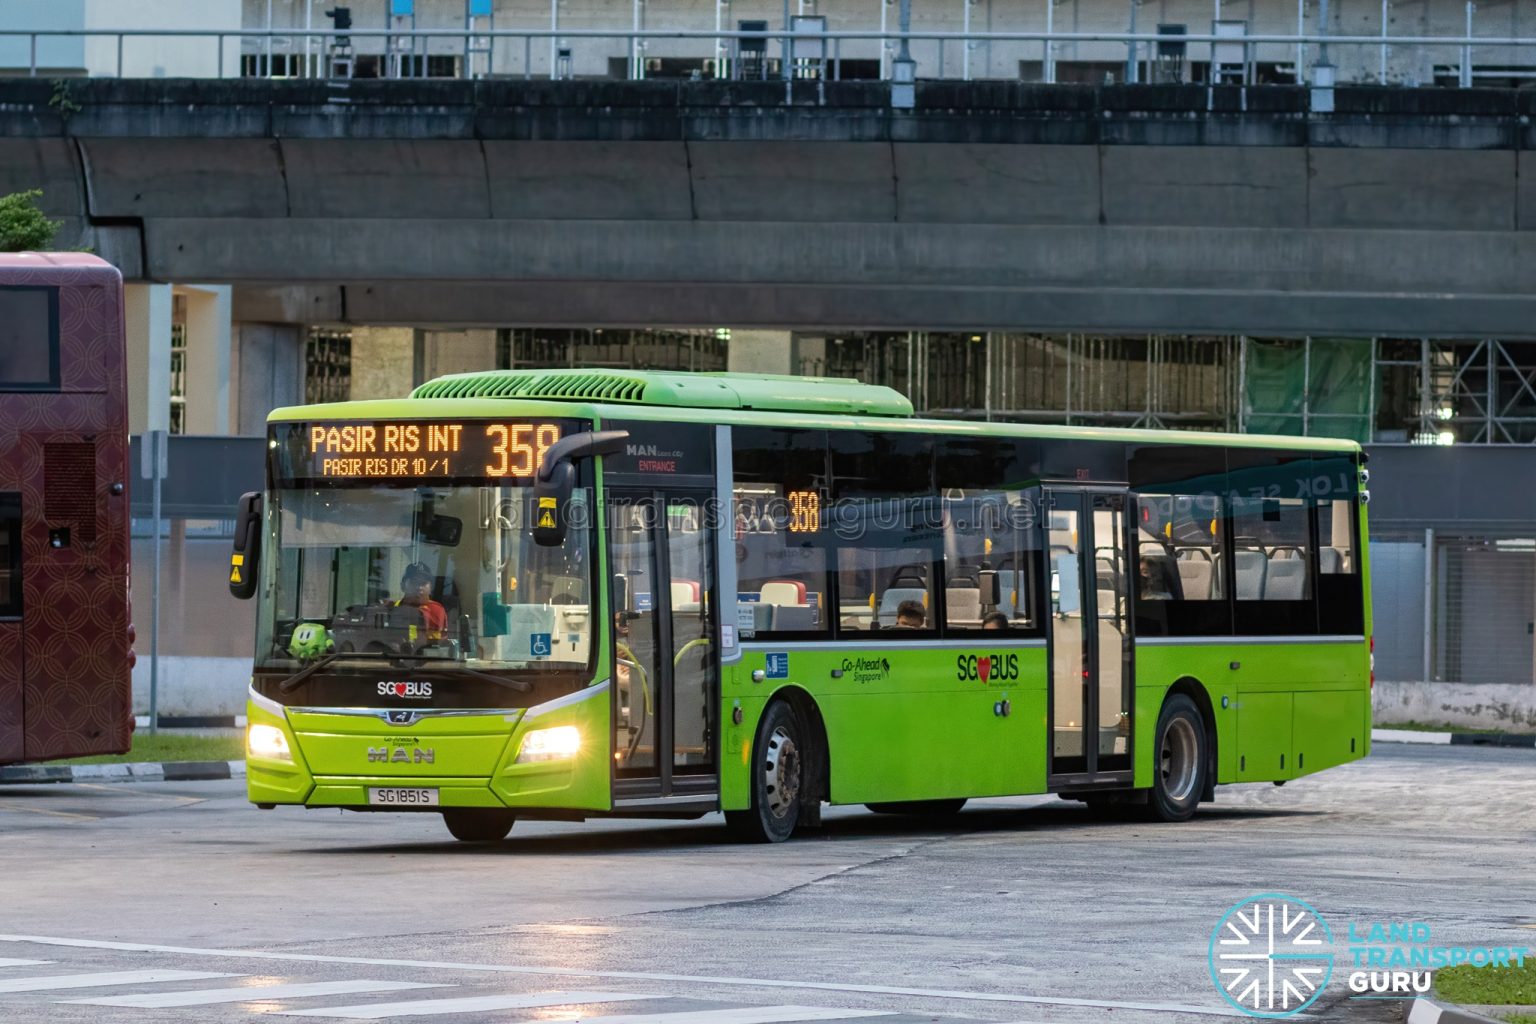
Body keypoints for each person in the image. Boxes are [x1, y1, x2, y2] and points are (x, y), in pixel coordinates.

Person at [397, 562, 448, 640]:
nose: (420, 587)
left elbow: (440, 644)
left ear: (431, 588)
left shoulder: (437, 610)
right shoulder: (392, 608)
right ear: (402, 585)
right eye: (415, 582)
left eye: (423, 583)